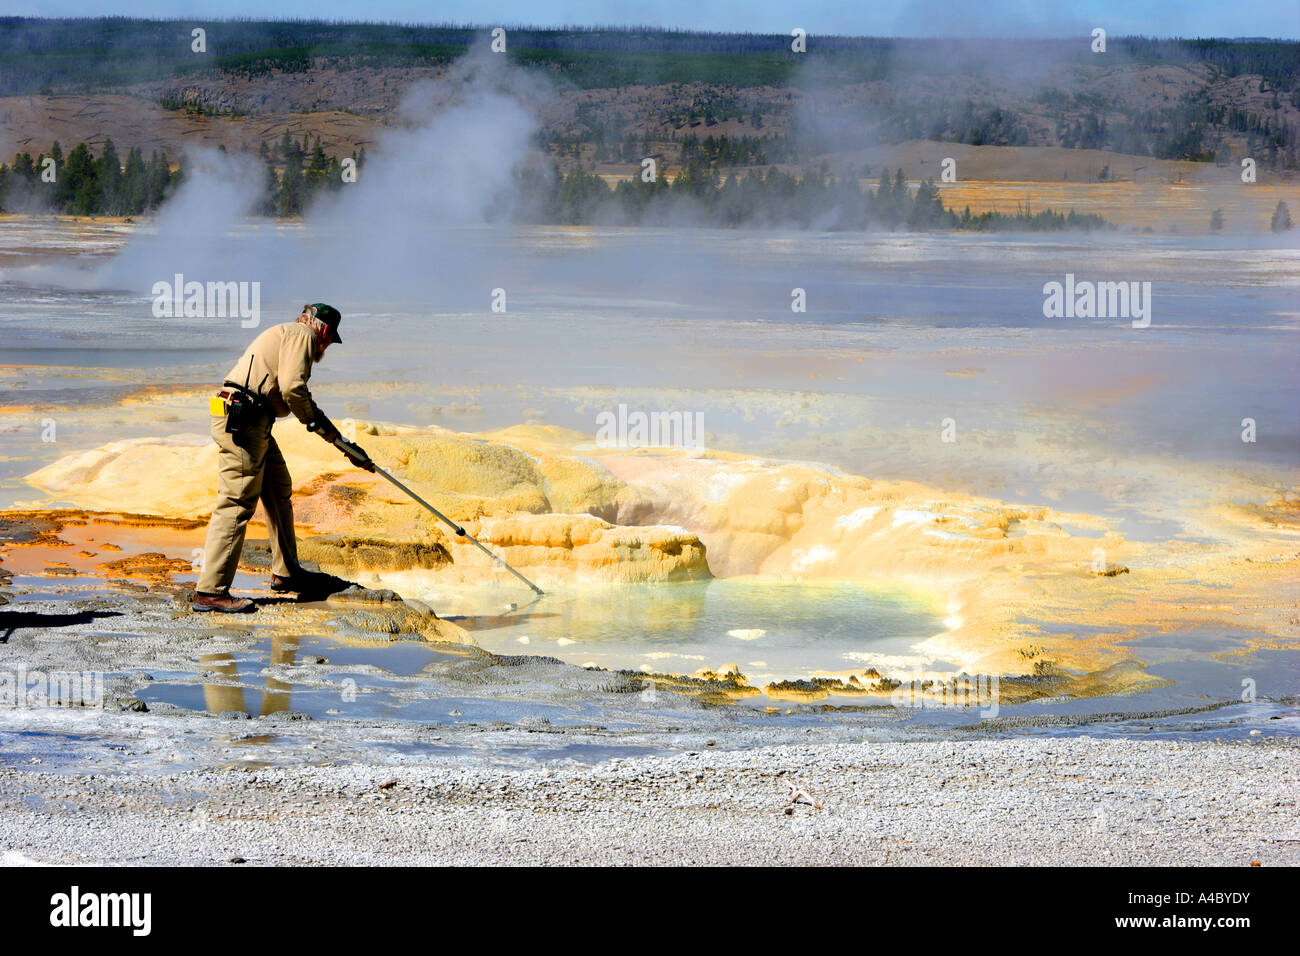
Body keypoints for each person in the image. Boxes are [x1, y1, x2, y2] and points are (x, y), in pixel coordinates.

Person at [192, 303, 366, 612]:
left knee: (278, 488)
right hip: (243, 420)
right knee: (236, 501)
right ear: (325, 331)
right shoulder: (304, 335)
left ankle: (286, 574)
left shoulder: (288, 332)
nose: (325, 348)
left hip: (253, 419)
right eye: (329, 341)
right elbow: (292, 388)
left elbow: (284, 390)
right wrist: (321, 425)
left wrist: (327, 430)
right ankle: (210, 591)